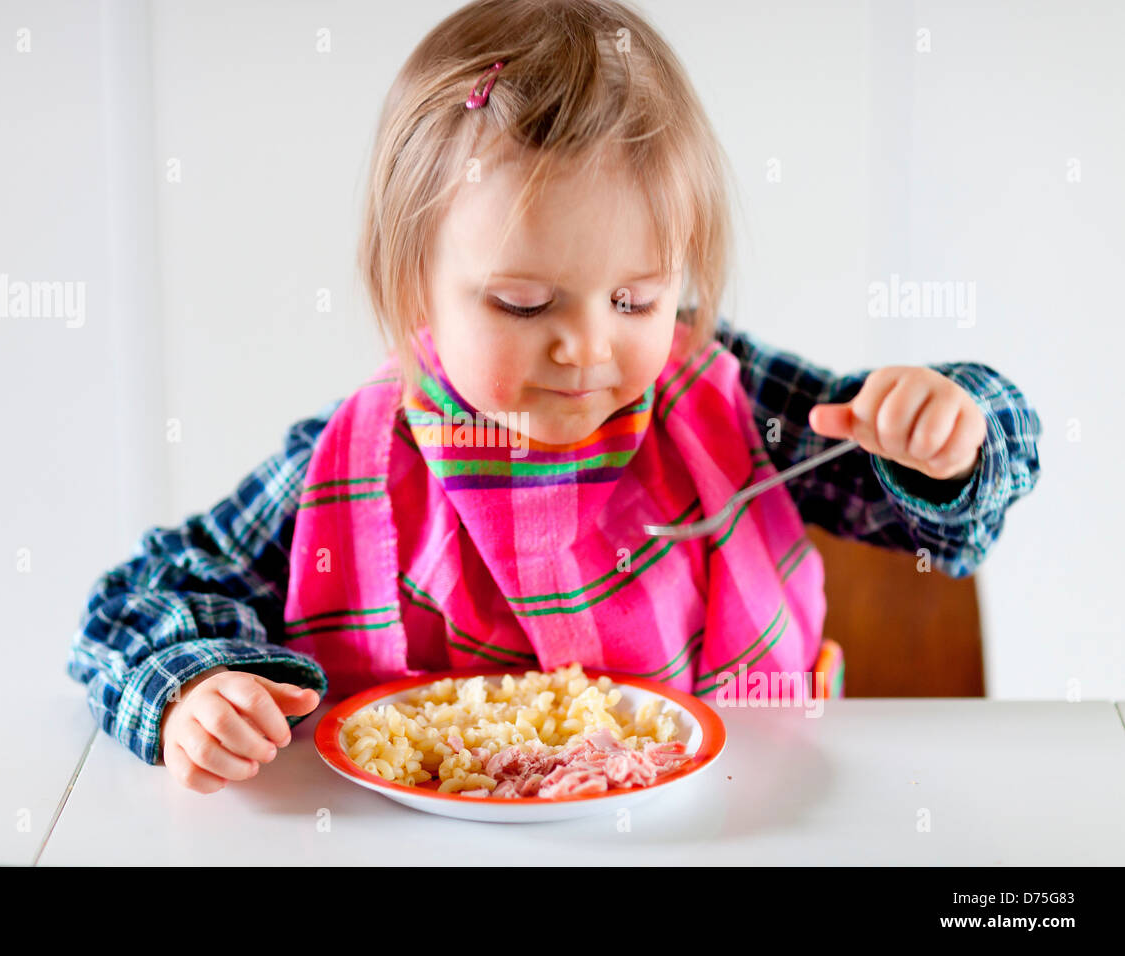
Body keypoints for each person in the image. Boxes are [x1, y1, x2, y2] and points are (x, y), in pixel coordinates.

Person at [67, 0, 1041, 793]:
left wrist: (946, 435)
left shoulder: (725, 398)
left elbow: (899, 496)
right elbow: (142, 598)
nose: (585, 346)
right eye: (523, 303)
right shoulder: (360, 459)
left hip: (734, 826)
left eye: (635, 299)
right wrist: (197, 688)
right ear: (416, 287)